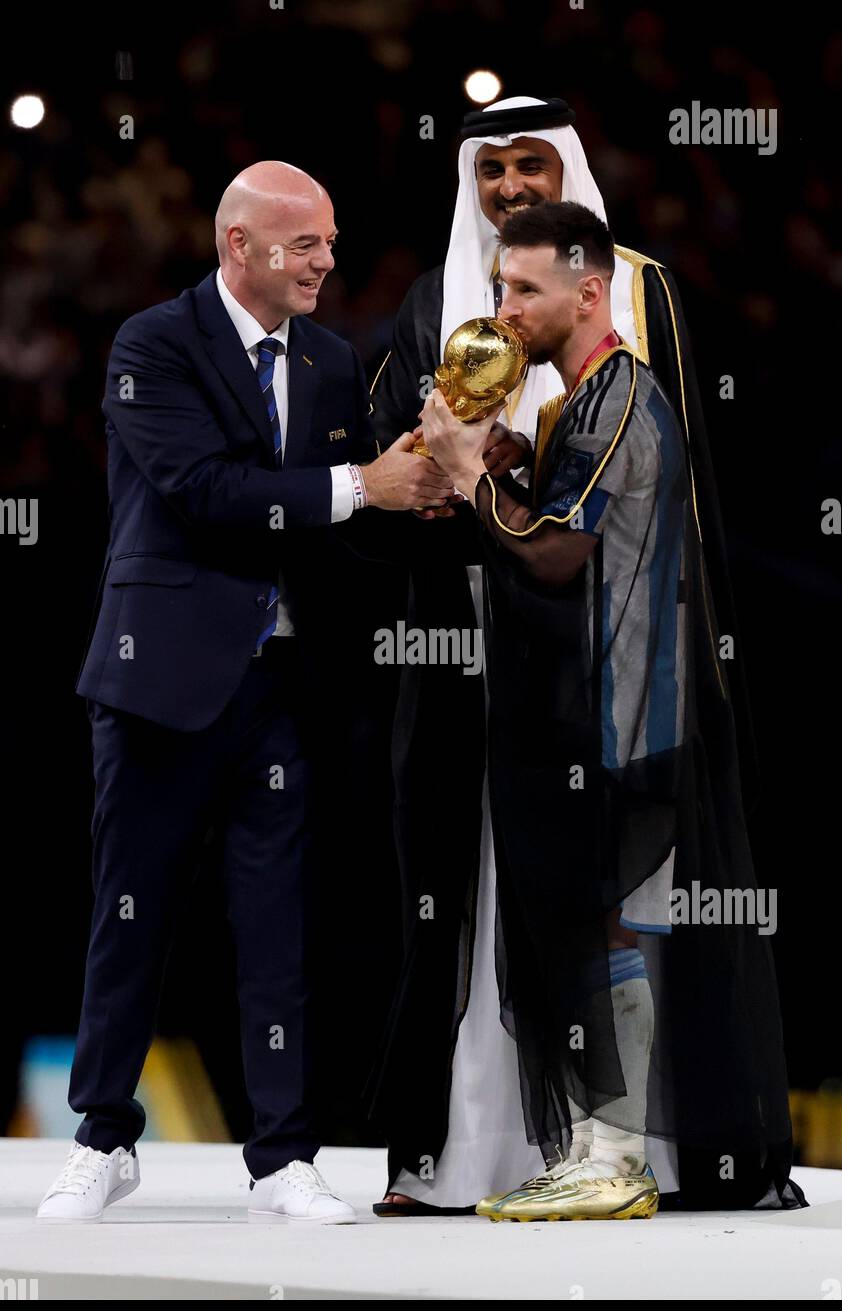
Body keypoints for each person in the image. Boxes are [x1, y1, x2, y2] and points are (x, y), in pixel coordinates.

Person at [367, 95, 764, 1215]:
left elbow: (596, 533)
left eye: (528, 166)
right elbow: (400, 468)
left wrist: (485, 477)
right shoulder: (425, 305)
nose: (505, 190)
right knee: (509, 896)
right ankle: (495, 1147)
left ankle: (620, 1150)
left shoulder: (631, 331)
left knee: (603, 901)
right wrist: (425, 476)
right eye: (489, 173)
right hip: (487, 657)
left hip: (608, 659)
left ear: (581, 288)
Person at [36, 161, 452, 1226]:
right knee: (132, 910)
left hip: (280, 680)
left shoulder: (327, 359)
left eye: (329, 240)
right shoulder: (152, 345)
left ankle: (281, 1154)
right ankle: (100, 1135)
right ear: (239, 245)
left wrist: (421, 488)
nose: (326, 261)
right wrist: (363, 484)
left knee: (277, 920)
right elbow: (205, 492)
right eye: (305, 242)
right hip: (159, 676)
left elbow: (333, 523)